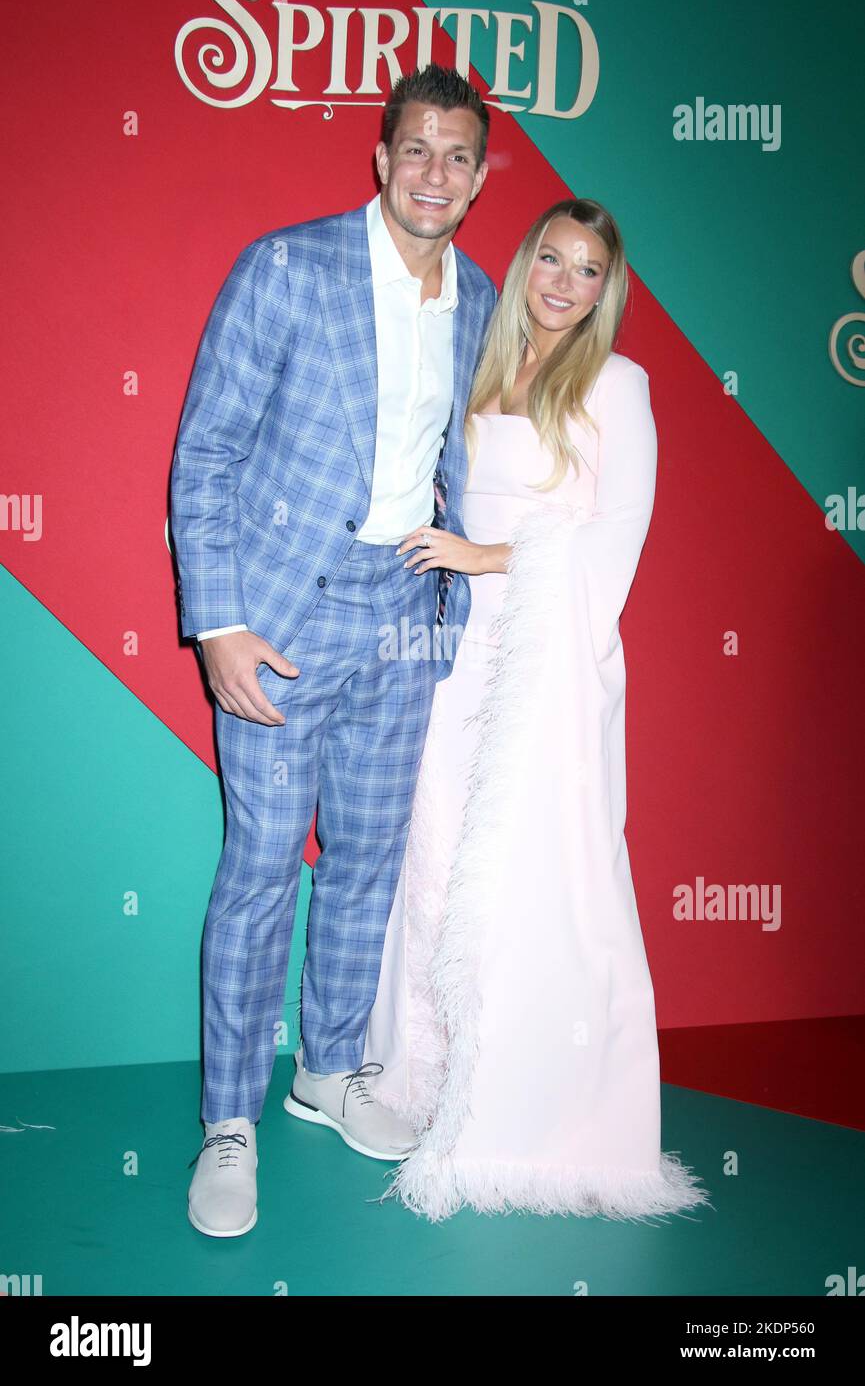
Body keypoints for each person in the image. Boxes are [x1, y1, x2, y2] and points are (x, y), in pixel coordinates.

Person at [169, 64, 497, 1237]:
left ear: (478, 176)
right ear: (380, 157)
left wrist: (456, 595)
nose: (435, 174)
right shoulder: (287, 266)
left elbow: (477, 460)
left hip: (400, 620)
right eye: (416, 149)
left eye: (458, 156)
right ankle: (227, 1123)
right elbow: (205, 454)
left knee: (365, 865)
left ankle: (328, 1073)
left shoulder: (484, 297)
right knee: (260, 869)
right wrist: (217, 624)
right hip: (281, 621)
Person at [363, 198, 713, 1223]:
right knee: (432, 852)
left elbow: (613, 543)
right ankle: (420, 1080)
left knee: (542, 865)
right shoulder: (477, 368)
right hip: (455, 654)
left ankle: (534, 1112)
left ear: (609, 288)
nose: (564, 281)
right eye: (551, 259)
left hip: (548, 663)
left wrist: (489, 555)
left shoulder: (617, 384)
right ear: (523, 266)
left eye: (589, 269)